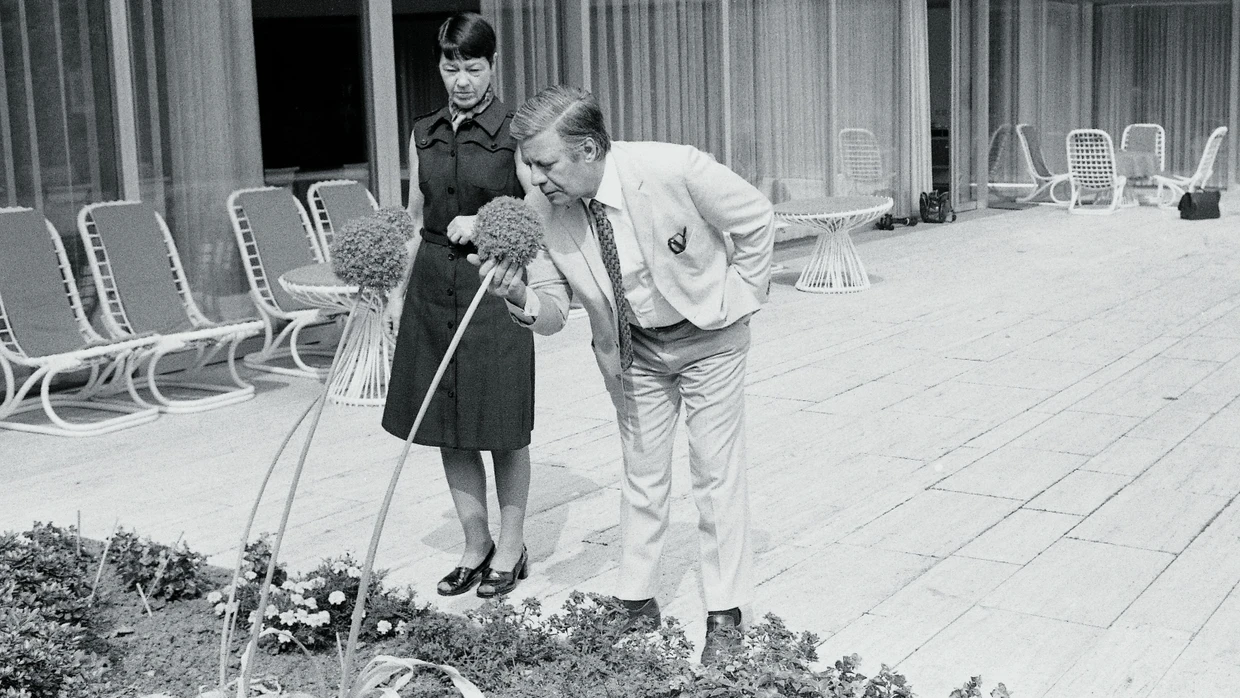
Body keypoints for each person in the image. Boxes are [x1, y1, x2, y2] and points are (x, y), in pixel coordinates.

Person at [472, 85, 776, 663]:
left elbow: (757, 219)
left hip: (709, 338)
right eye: (528, 166)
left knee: (715, 473)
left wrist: (743, 294)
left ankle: (727, 611)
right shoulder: (543, 212)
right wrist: (517, 294)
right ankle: (637, 605)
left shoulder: (673, 167)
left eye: (544, 164)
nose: (534, 180)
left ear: (587, 149)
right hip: (633, 352)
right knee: (642, 476)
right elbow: (553, 312)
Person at [381, 13, 533, 599]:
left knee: (503, 425)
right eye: (451, 66)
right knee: (447, 425)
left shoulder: (516, 132)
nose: (462, 79)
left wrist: (490, 221)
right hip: (430, 284)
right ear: (439, 67)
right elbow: (415, 218)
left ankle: (512, 549)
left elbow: (541, 211)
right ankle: (476, 545)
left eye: (473, 66)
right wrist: (395, 295)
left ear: (492, 66)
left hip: (494, 282)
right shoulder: (422, 131)